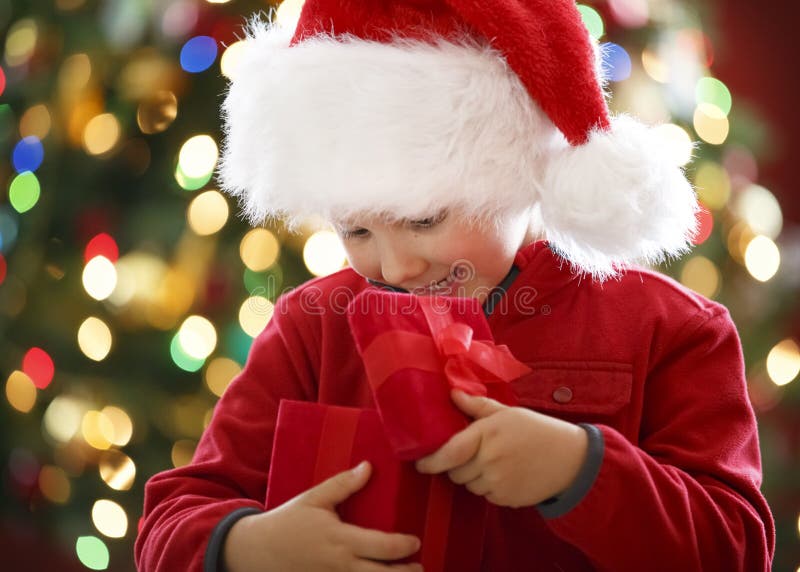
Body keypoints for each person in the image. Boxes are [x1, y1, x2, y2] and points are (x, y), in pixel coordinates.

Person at [134, 1, 775, 571]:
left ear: (518, 168)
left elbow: (737, 547)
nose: (395, 268)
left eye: (423, 220)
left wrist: (579, 469)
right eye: (355, 231)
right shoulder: (311, 327)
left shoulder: (672, 330)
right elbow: (170, 521)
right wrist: (250, 547)